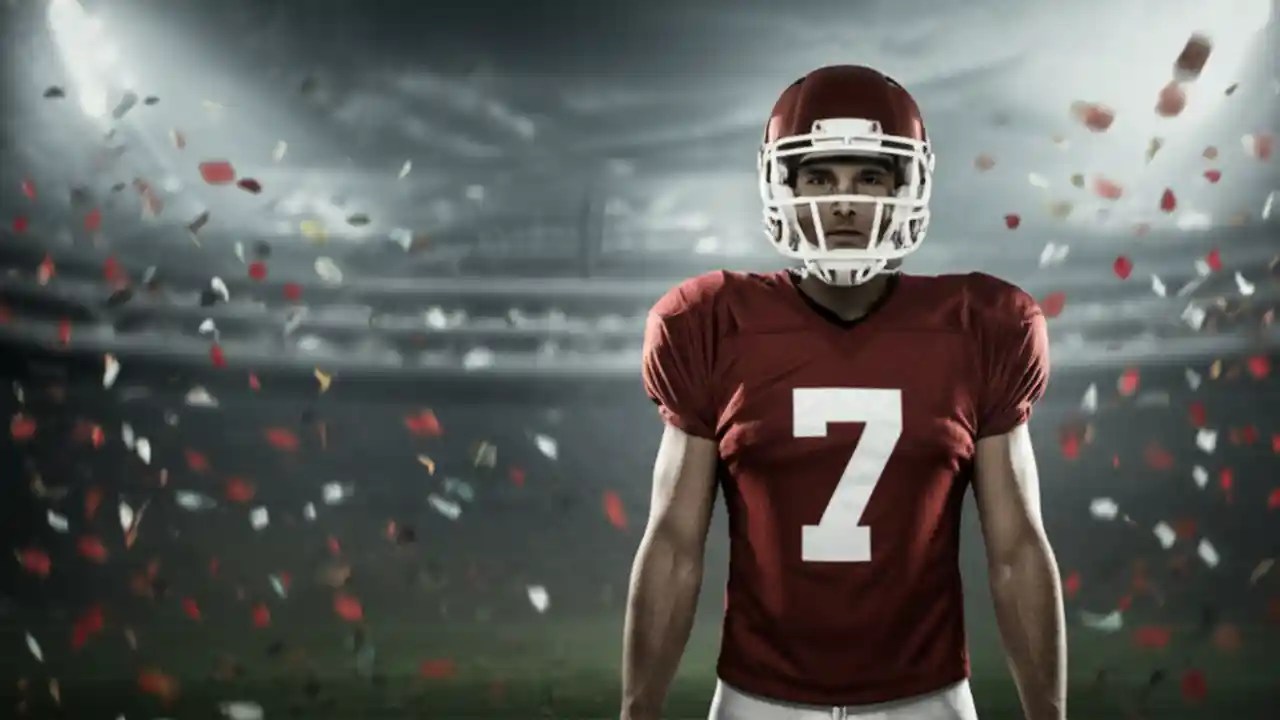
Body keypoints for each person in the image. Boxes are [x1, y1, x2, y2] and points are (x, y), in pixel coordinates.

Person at [620, 65, 1066, 720]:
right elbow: (674, 545)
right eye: (820, 177)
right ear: (782, 187)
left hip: (928, 697)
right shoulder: (713, 325)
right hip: (758, 697)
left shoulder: (981, 329)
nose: (846, 201)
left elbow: (1017, 548)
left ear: (907, 185)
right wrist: (636, 712)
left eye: (870, 177)